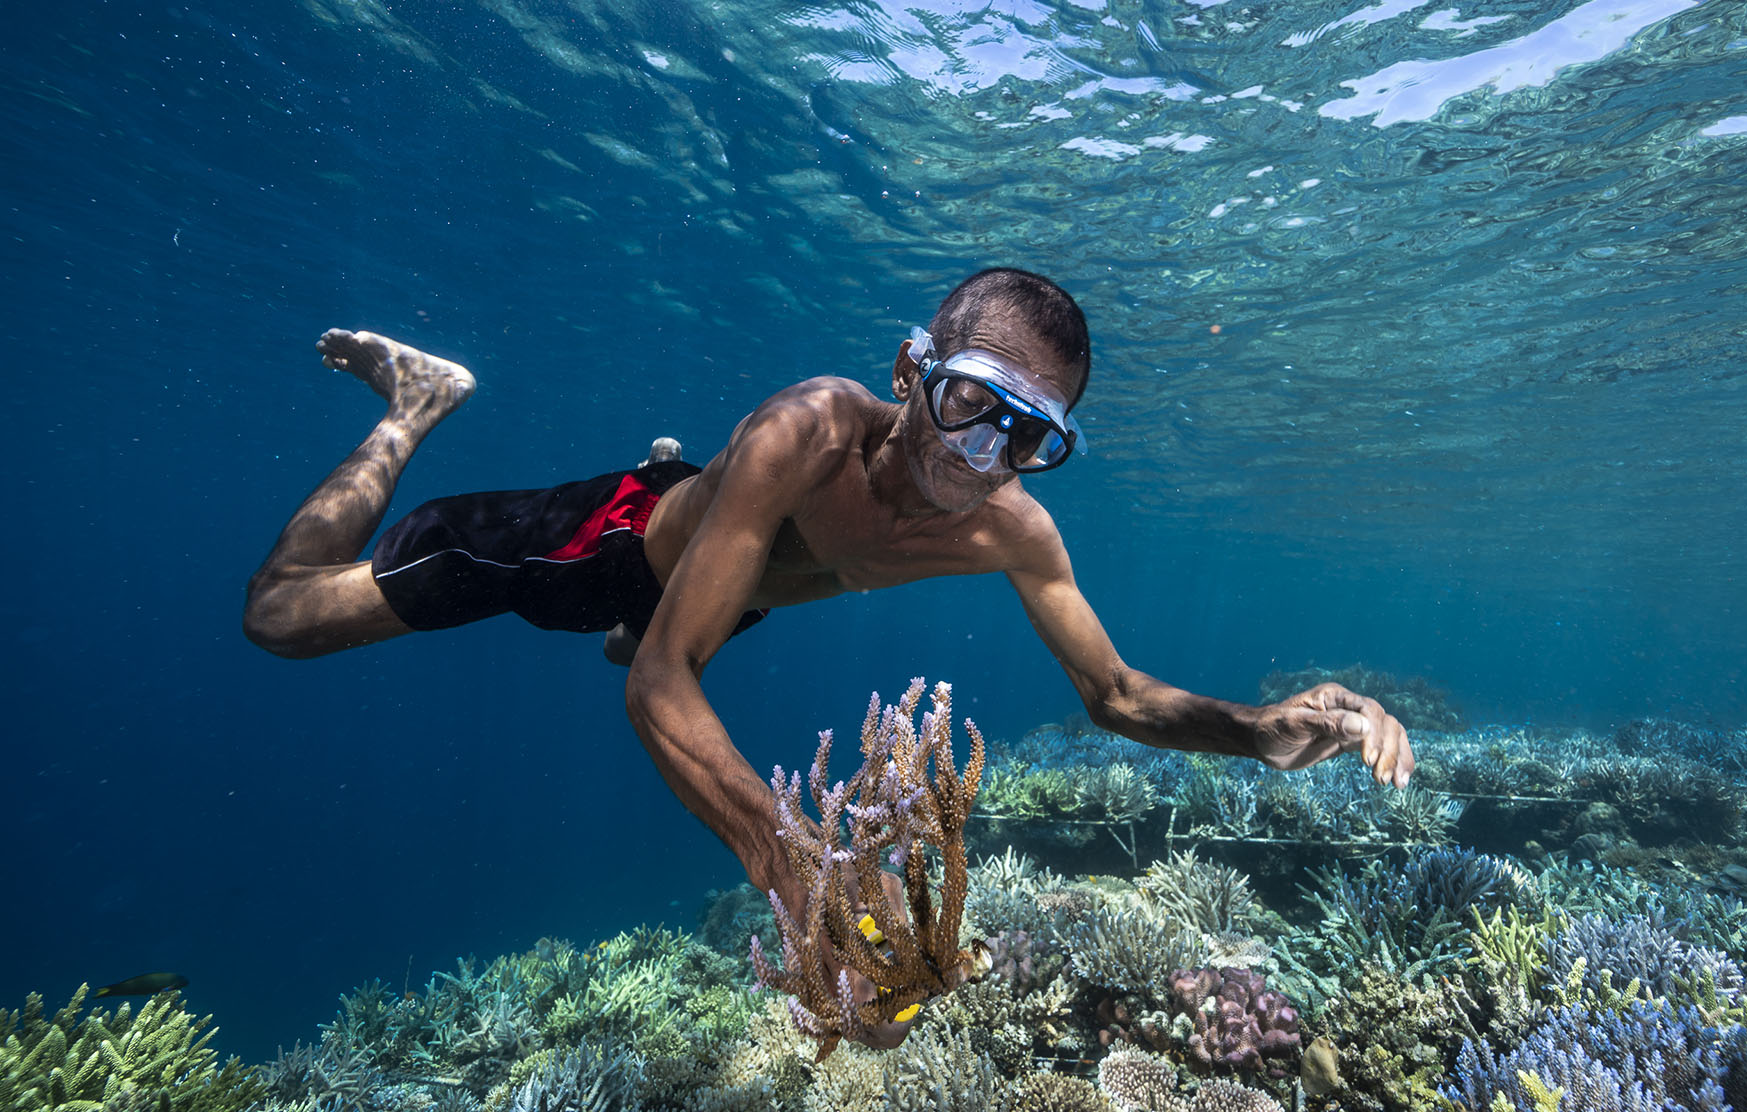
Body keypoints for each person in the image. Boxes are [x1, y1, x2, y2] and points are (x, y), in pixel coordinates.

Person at [243, 267, 1415, 1044]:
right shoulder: (811, 423)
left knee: (661, 626)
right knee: (283, 618)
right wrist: (794, 862)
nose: (984, 454)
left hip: (733, 574)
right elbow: (665, 679)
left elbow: (1115, 694)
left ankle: (693, 482)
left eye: (1031, 436)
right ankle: (413, 404)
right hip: (597, 547)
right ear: (912, 372)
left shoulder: (1012, 527)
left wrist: (1258, 730)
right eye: (971, 402)